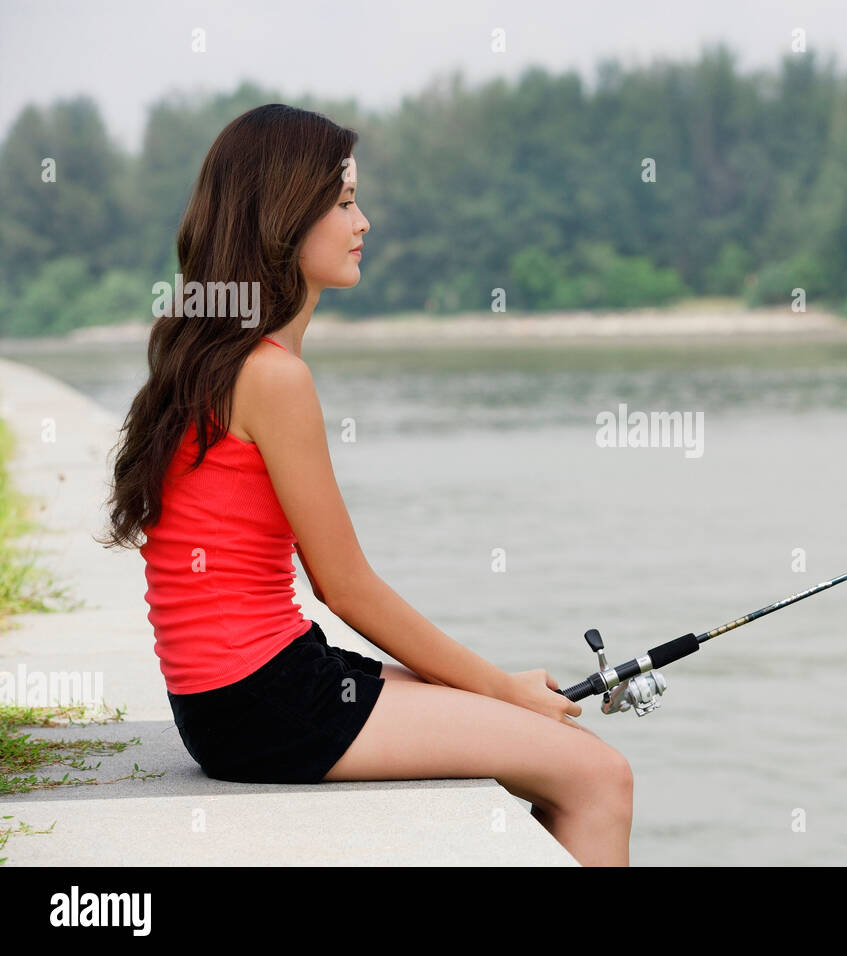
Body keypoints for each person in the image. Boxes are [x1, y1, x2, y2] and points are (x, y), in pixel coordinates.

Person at [98, 103, 633, 867]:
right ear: (284, 218)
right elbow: (344, 586)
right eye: (345, 202)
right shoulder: (273, 378)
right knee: (598, 777)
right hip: (267, 702)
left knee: (551, 755)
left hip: (229, 698)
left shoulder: (214, 357)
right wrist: (501, 691)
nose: (365, 222)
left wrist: (491, 687)